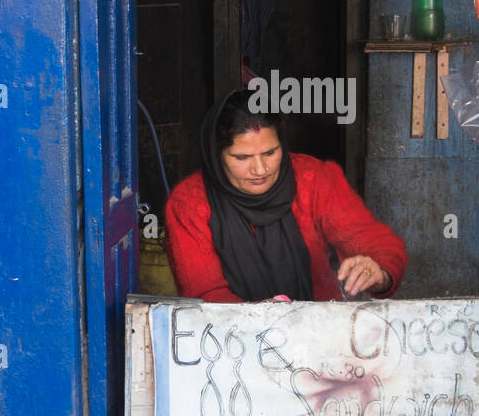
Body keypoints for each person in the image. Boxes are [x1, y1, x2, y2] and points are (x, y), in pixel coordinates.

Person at [164, 90, 407, 302]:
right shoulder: (189, 203)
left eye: (270, 152)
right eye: (242, 157)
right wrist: (268, 319)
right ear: (216, 155)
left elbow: (378, 243)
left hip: (318, 329)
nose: (260, 170)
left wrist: (379, 274)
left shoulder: (313, 180)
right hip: (232, 342)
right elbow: (205, 293)